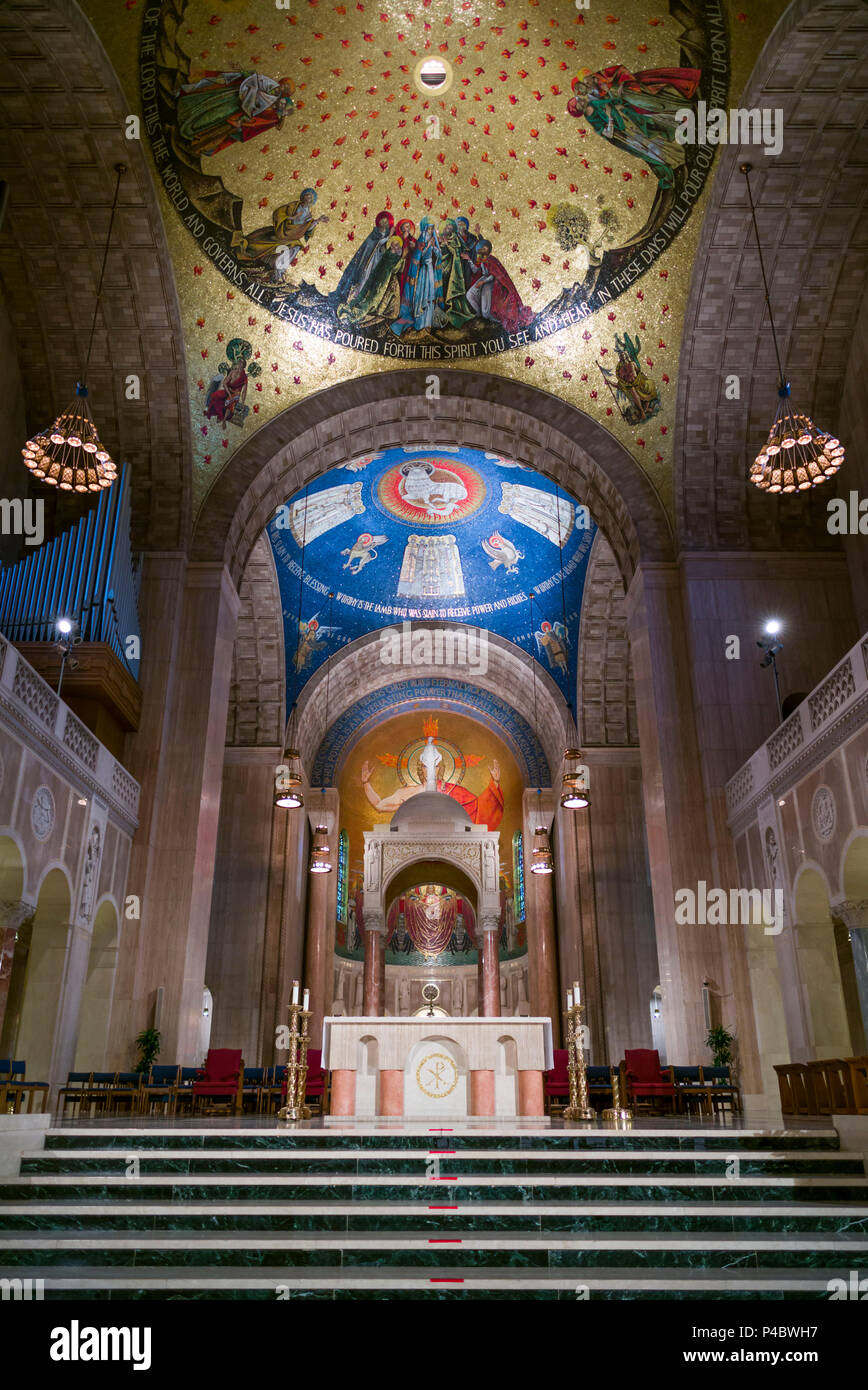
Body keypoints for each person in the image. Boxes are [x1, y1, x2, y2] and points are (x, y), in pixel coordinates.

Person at [566, 64, 701, 189]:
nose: (581, 100)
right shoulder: (591, 112)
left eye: (579, 97)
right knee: (650, 144)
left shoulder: (596, 93)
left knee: (652, 125)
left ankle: (684, 131)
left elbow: (613, 91)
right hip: (625, 131)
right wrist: (611, 117)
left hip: (626, 115)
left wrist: (613, 96)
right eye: (578, 104)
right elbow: (605, 131)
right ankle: (677, 156)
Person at [175, 71, 295, 158]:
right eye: (285, 84)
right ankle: (186, 110)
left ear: (286, 94)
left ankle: (192, 133)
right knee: (211, 105)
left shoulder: (273, 103)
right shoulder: (269, 83)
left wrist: (281, 116)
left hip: (237, 111)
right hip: (235, 98)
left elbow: (260, 113)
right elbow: (254, 80)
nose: (283, 87)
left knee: (213, 118)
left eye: (287, 88)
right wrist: (249, 92)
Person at [231, 190, 328, 284]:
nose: (308, 198)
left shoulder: (308, 214)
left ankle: (278, 272)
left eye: (310, 197)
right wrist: (291, 218)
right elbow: (279, 213)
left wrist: (317, 221)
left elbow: (307, 227)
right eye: (307, 195)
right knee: (261, 242)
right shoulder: (294, 206)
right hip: (282, 231)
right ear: (303, 196)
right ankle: (262, 264)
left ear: (312, 200)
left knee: (294, 248)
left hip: (292, 237)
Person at [391, 218, 446, 335]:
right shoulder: (421, 240)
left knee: (431, 293)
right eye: (429, 228)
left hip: (430, 269)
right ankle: (420, 322)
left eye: (432, 228)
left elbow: (438, 254)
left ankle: (428, 323)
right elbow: (419, 256)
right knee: (421, 294)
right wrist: (428, 246)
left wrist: (436, 249)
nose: (430, 231)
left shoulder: (432, 239)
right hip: (422, 271)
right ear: (425, 229)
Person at [466, 240, 534, 333]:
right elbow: (476, 271)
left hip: (490, 282)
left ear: (488, 250)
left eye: (485, 248)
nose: (483, 250)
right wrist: (469, 260)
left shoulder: (491, 260)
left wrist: (483, 282)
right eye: (481, 248)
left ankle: (493, 320)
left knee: (486, 312)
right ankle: (479, 315)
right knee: (469, 295)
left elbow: (495, 274)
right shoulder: (481, 260)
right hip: (483, 280)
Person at [333, 211, 395, 307]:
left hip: (376, 262)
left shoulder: (388, 237)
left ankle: (359, 301)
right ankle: (352, 299)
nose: (384, 224)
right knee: (362, 278)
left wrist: (388, 239)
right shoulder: (373, 233)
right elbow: (369, 245)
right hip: (366, 261)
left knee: (369, 281)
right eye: (382, 221)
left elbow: (385, 249)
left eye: (386, 222)